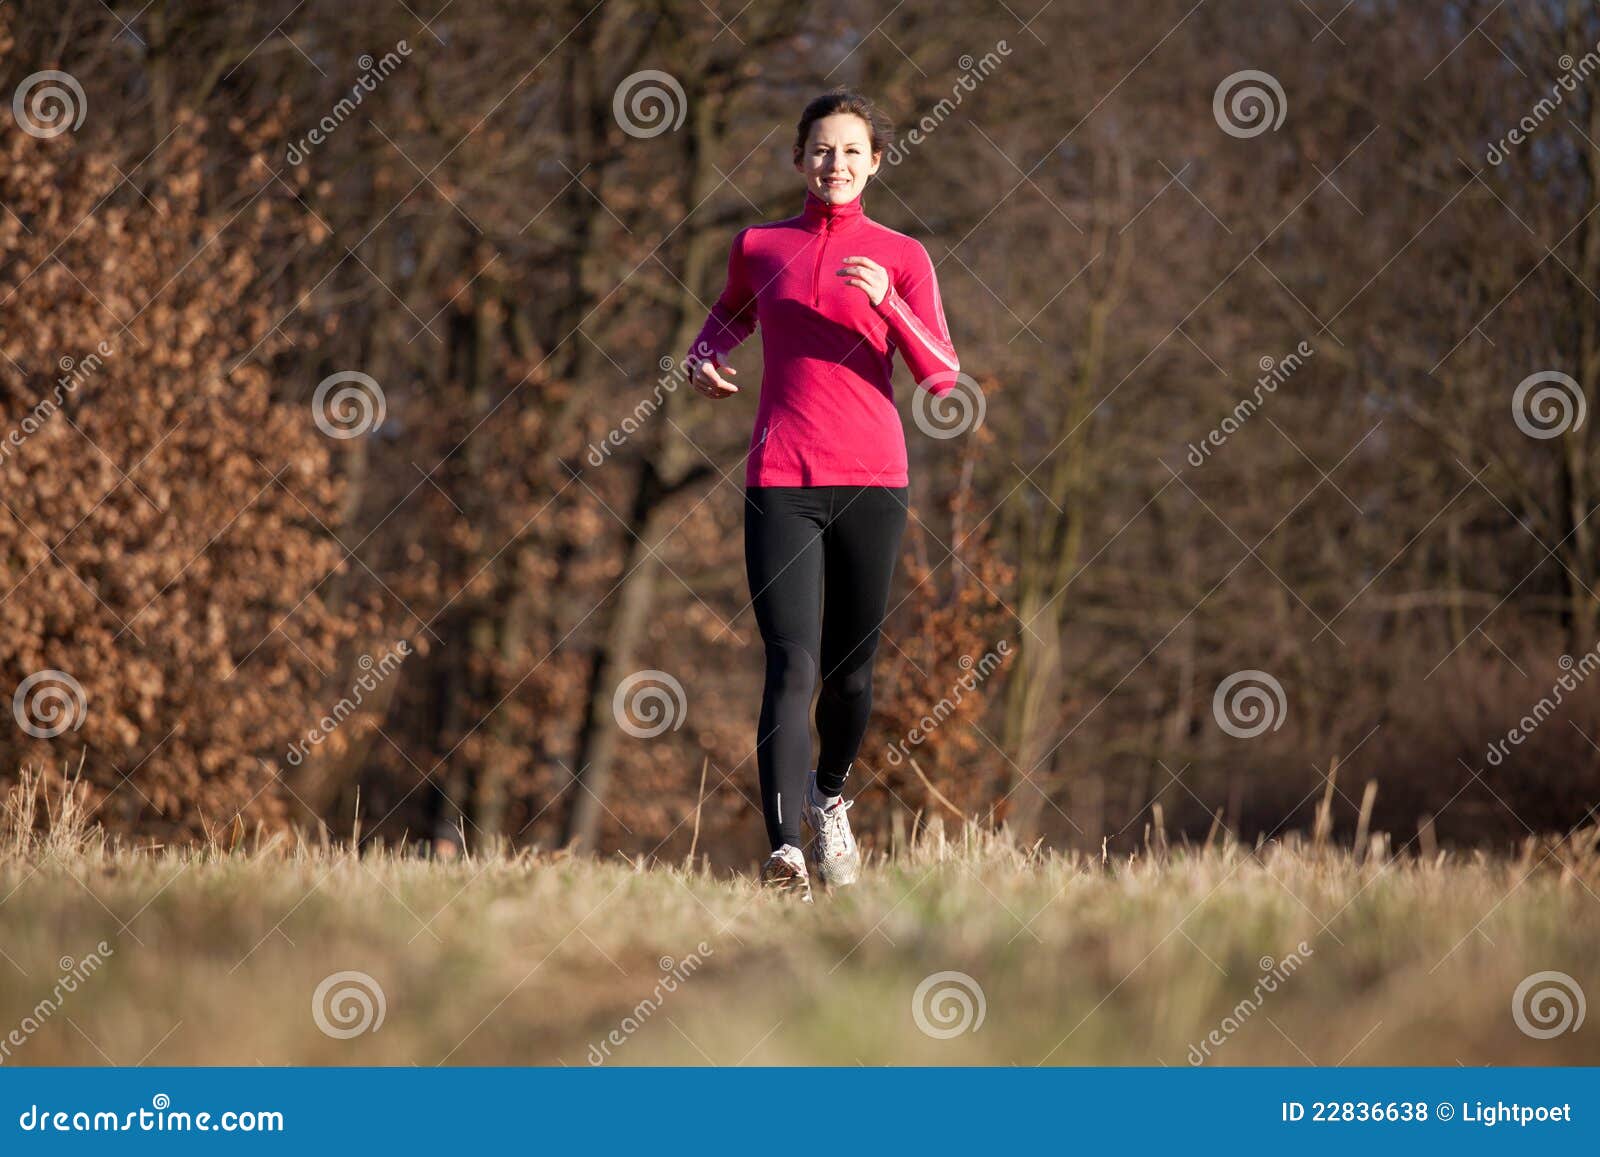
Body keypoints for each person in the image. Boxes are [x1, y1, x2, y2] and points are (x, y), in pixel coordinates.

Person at [685, 88, 962, 901]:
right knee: (790, 662)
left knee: (850, 675)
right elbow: (727, 316)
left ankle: (829, 797)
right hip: (780, 479)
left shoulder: (902, 255)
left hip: (872, 481)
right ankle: (784, 854)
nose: (833, 163)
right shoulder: (759, 244)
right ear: (797, 158)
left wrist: (888, 303)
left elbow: (943, 376)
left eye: (850, 151)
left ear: (875, 163)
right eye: (819, 149)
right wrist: (702, 358)